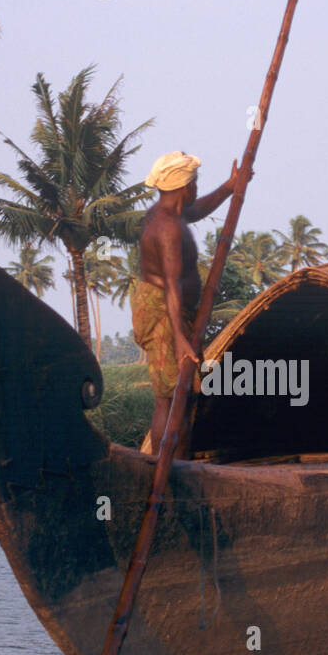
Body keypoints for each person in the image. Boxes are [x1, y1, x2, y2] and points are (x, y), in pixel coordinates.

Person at [134, 151, 243, 456]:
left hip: (174, 309)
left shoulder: (174, 212)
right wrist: (180, 338)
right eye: (195, 183)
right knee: (169, 397)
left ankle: (178, 465)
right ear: (186, 187)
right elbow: (171, 284)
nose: (197, 188)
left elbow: (194, 211)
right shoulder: (166, 226)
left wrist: (228, 187)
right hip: (164, 311)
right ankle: (165, 472)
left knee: (183, 393)